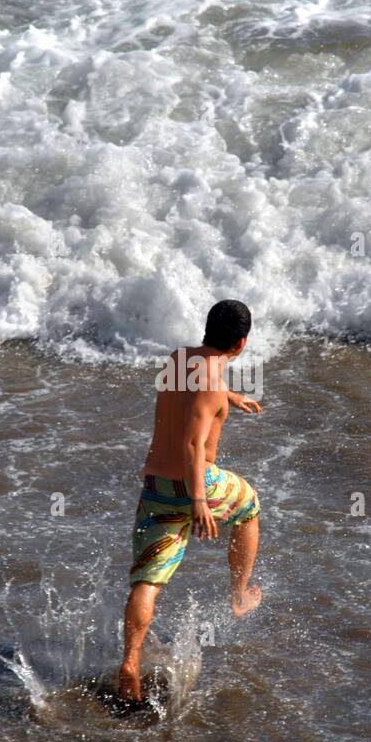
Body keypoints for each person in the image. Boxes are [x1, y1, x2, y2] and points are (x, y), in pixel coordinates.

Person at [117, 300, 263, 703]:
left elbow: (193, 399)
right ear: (241, 341)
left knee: (147, 580)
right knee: (250, 506)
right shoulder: (212, 384)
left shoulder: (179, 360)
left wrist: (229, 397)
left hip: (156, 487)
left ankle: (129, 661)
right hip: (194, 484)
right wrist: (199, 500)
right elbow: (193, 444)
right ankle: (239, 594)